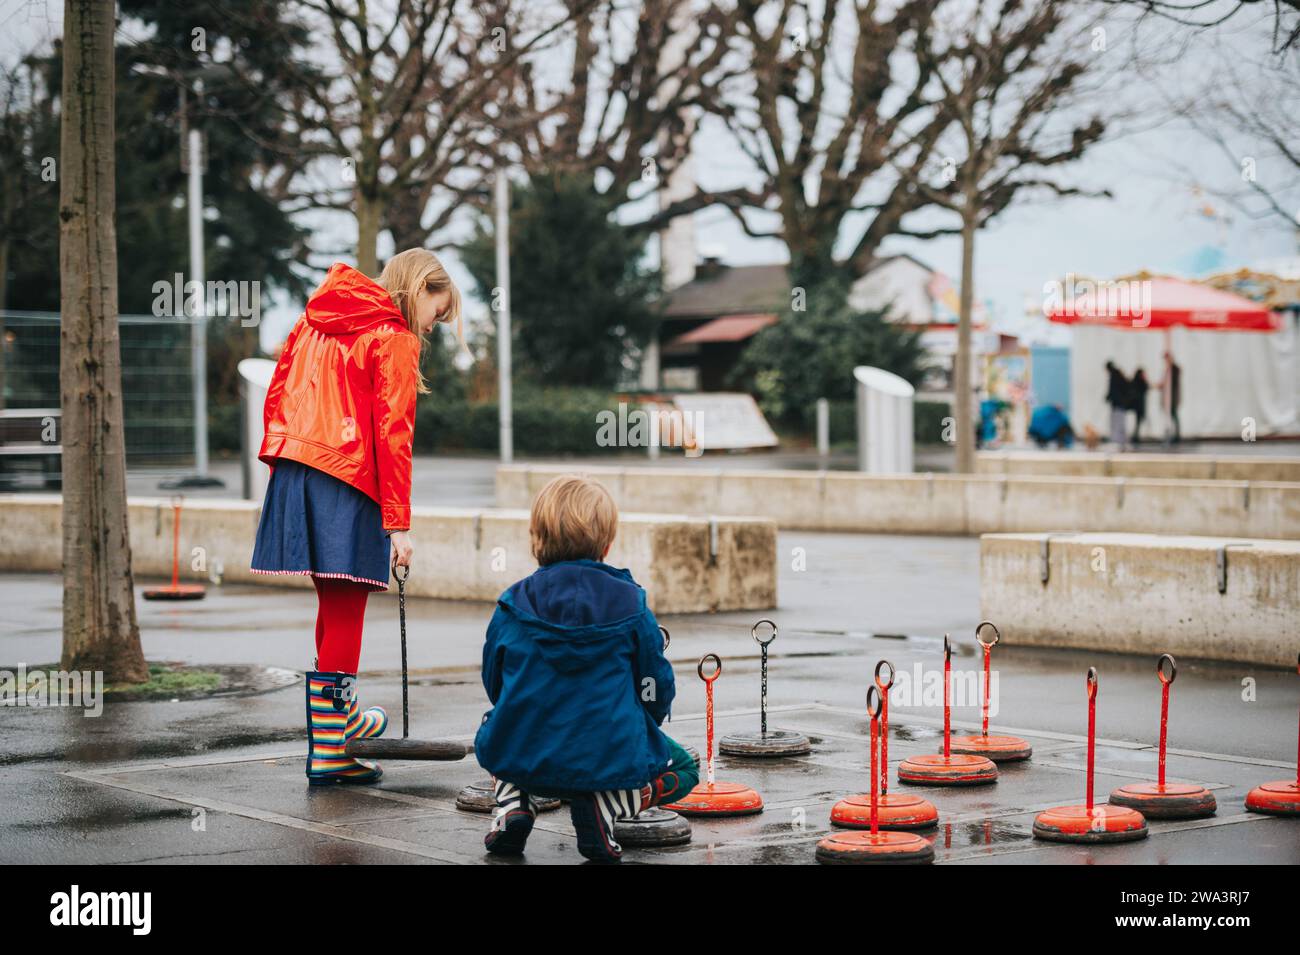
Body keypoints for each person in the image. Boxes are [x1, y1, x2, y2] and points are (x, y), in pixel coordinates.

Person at [251, 251, 462, 786]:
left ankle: (339, 723)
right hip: (348, 480)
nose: (429, 327)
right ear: (418, 291)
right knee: (346, 609)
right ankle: (330, 752)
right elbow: (394, 435)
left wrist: (284, 455)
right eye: (434, 314)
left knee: (332, 602)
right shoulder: (391, 336)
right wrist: (399, 524)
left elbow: (279, 390)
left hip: (300, 471)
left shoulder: (314, 318)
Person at [474, 475, 700, 863]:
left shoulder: (511, 604)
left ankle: (513, 804)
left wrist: (513, 707)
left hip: (525, 749)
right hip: (608, 752)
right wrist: (647, 722)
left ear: (536, 538)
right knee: (685, 766)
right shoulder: (632, 604)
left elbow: (495, 681)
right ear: (607, 544)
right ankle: (609, 805)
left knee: (495, 726)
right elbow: (654, 683)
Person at [1105, 361, 1129, 449]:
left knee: (1116, 423)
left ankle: (1117, 441)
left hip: (1117, 404)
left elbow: (1113, 390)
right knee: (1121, 423)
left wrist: (1108, 397)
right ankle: (1122, 441)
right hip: (1122, 404)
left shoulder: (1113, 376)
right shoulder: (1119, 374)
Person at [1161, 351, 1182, 444]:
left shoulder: (1173, 369)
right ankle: (1174, 434)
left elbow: (1171, 384)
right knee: (1172, 416)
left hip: (1172, 398)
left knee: (1174, 416)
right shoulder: (1169, 369)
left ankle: (1176, 435)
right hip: (1169, 398)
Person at [1130, 368, 1150, 444]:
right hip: (1139, 404)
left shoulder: (1135, 381)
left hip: (1137, 404)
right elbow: (1146, 387)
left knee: (1138, 421)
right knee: (1138, 421)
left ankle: (1136, 436)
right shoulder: (1141, 382)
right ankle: (1136, 436)